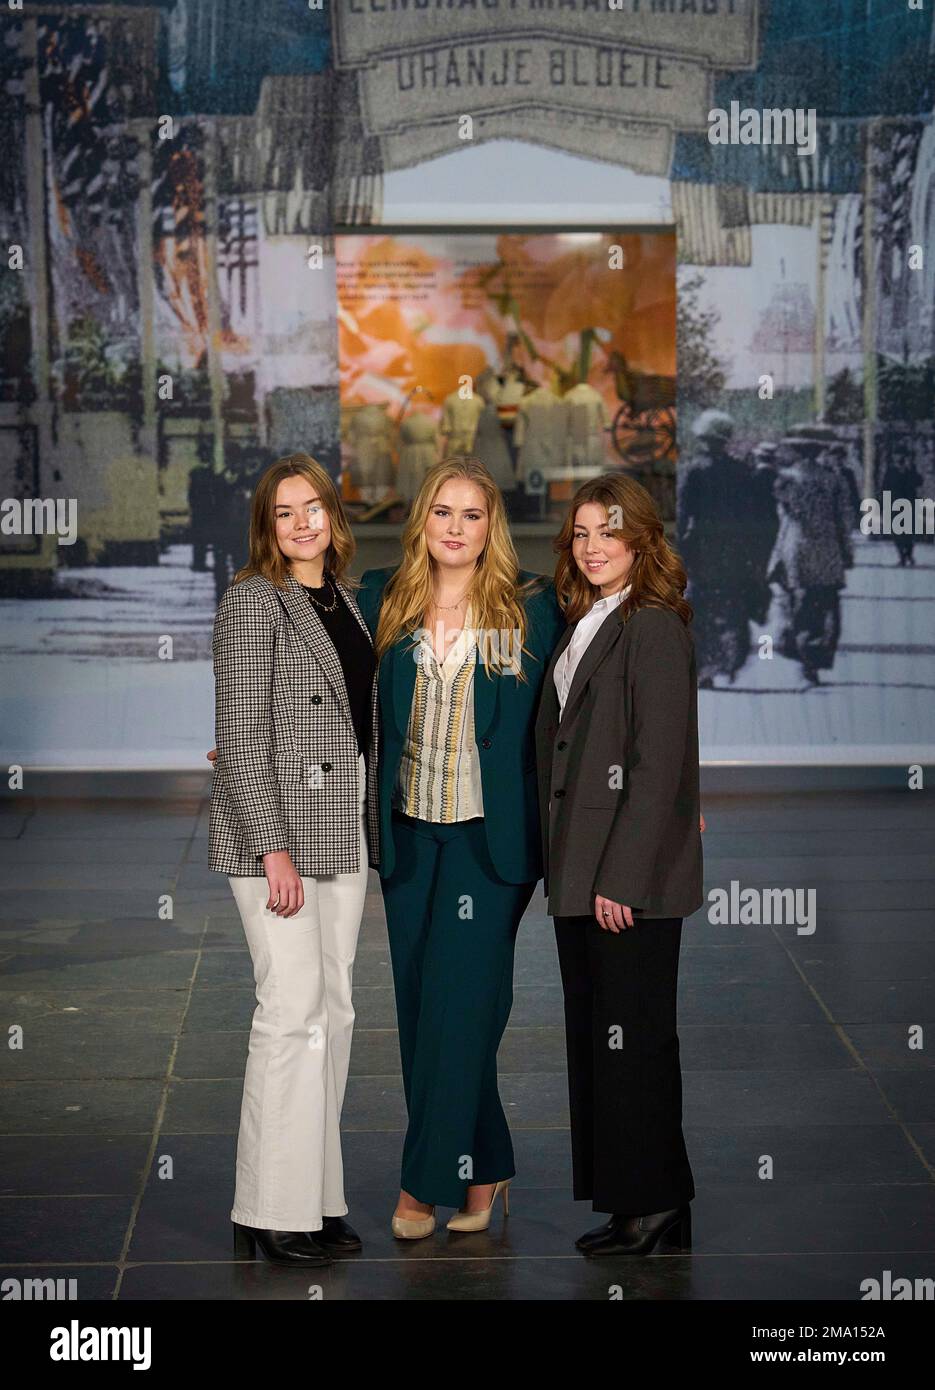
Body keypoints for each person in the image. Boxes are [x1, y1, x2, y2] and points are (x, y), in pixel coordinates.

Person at [356, 455, 563, 1239]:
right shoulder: (381, 597)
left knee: (465, 1006)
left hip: (491, 845)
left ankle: (422, 1186)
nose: (455, 528)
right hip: (409, 838)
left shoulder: (532, 610)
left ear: (492, 527)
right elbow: (315, 673)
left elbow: (594, 700)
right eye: (442, 512)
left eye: (471, 515)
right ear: (421, 520)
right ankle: (486, 1166)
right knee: (422, 1011)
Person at [207, 452, 379, 1267]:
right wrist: (272, 847)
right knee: (288, 1014)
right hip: (276, 840)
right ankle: (268, 1210)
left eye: (314, 506)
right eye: (285, 512)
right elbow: (240, 736)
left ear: (332, 516)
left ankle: (313, 1196)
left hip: (340, 831)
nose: (303, 521)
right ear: (265, 527)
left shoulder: (347, 601)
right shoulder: (251, 604)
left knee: (333, 1016)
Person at [535, 472, 703, 1258]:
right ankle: (637, 1200)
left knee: (632, 1041)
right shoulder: (587, 618)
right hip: (584, 872)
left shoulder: (653, 624)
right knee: (604, 1038)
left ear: (640, 539)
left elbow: (656, 762)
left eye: (609, 531)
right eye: (581, 534)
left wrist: (620, 880)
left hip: (623, 882)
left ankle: (656, 1206)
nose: (593, 546)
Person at [677, 409, 764, 686]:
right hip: (734, 550)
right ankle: (730, 660)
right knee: (731, 605)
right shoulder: (742, 471)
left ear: (703, 439)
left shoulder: (693, 470)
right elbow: (752, 515)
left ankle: (705, 665)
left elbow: (683, 513)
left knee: (700, 607)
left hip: (701, 549)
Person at [767, 433, 852, 684]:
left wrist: (777, 554)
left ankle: (801, 653)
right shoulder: (834, 480)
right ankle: (816, 655)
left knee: (800, 602)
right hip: (827, 547)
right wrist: (846, 551)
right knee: (826, 603)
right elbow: (844, 520)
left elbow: (783, 519)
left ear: (796, 451)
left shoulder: (784, 480)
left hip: (797, 546)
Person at [881, 446, 923, 567]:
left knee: (909, 532)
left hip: (909, 504)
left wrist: (911, 469)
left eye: (900, 454)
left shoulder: (911, 469)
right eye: (896, 455)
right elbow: (885, 487)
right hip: (894, 504)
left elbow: (919, 482)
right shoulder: (890, 470)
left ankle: (909, 554)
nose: (898, 457)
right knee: (897, 532)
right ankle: (902, 556)